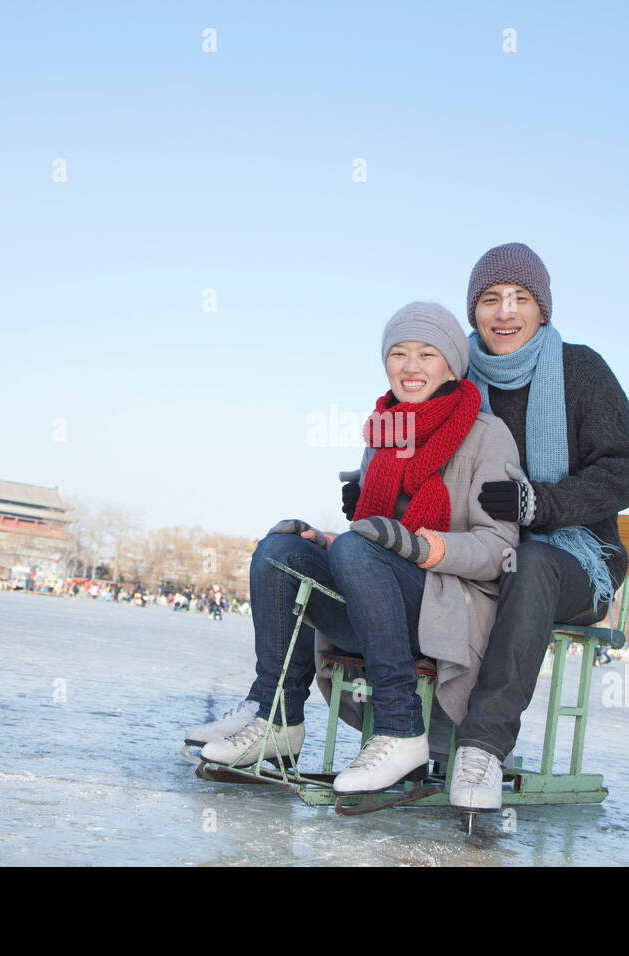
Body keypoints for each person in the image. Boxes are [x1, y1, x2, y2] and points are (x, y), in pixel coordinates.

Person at [186, 302, 520, 794]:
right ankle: (276, 714)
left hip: (444, 608)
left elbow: (499, 549)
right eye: (398, 354)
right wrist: (331, 542)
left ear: (452, 364)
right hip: (371, 595)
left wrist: (420, 547)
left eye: (427, 354)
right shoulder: (383, 433)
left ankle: (400, 729)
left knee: (355, 552)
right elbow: (369, 534)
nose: (410, 367)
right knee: (281, 552)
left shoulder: (489, 436)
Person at [442, 242, 629, 813]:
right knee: (430, 562)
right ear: (473, 311)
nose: (505, 312)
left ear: (542, 309)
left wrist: (542, 505)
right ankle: (412, 730)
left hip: (577, 558)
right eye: (490, 299)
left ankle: (483, 747)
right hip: (488, 547)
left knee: (530, 563)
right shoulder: (457, 380)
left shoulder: (580, 369)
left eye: (520, 298)